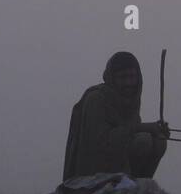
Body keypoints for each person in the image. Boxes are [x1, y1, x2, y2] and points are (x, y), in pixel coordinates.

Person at [61, 51, 169, 181]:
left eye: (132, 77)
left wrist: (156, 130)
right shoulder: (96, 99)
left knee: (159, 140)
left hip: (122, 163)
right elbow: (100, 144)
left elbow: (130, 131)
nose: (128, 83)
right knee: (143, 141)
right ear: (111, 78)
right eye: (122, 78)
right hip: (93, 173)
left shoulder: (131, 100)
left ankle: (137, 184)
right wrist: (143, 128)